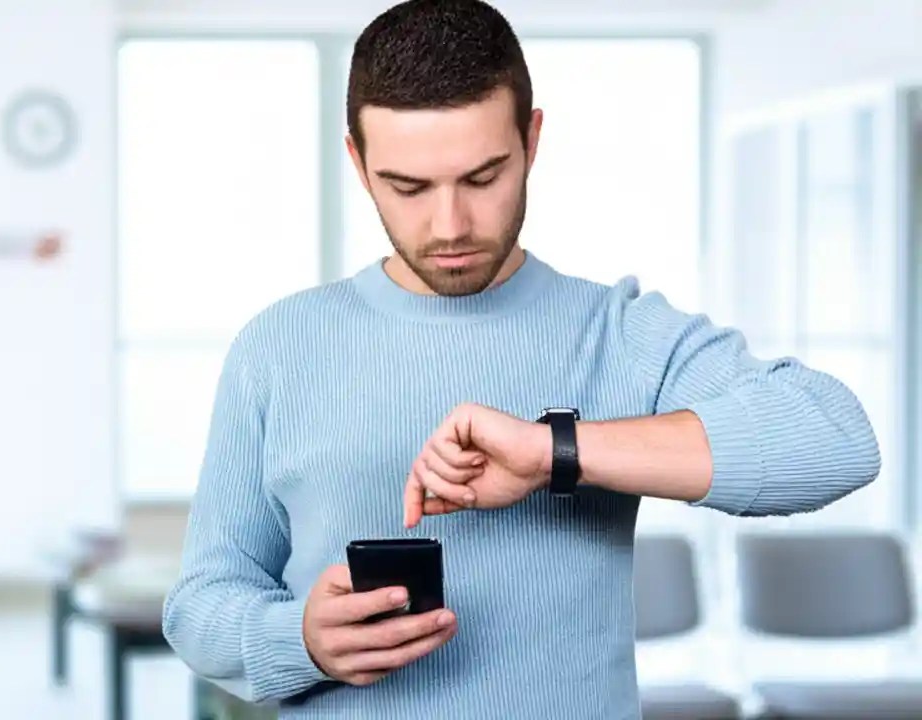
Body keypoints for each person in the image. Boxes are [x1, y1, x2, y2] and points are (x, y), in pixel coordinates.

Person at [161, 0, 882, 717]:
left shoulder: (617, 331)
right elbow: (200, 606)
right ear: (357, 161)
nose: (449, 226)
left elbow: (835, 438)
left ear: (531, 141)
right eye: (408, 187)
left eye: (482, 178)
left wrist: (555, 451)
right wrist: (299, 640)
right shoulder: (278, 348)